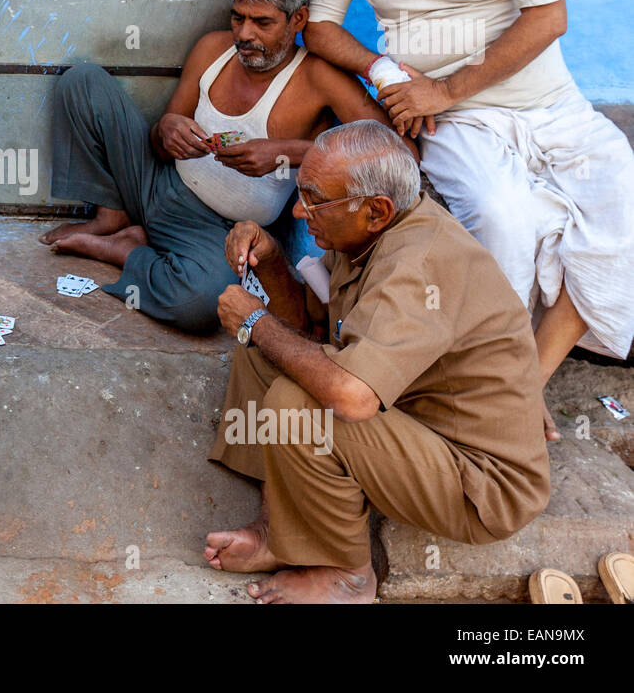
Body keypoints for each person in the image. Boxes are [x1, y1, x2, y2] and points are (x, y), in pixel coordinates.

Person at [303, 0, 634, 439]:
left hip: (547, 104)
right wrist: (386, 70)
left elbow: (549, 16)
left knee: (621, 196)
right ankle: (498, 378)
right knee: (504, 219)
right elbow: (319, 30)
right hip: (459, 125)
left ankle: (524, 382)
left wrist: (444, 88)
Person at [204, 120, 550, 603]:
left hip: (481, 483)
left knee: (298, 404)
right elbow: (310, 329)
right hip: (416, 422)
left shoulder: (416, 265)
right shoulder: (367, 234)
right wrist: (274, 261)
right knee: (265, 352)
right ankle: (279, 530)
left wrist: (256, 320)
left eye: (315, 200)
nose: (302, 212)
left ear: (376, 210)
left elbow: (352, 396)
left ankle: (348, 578)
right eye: (302, 193)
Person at [41, 0, 407, 332]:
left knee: (199, 304)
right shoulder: (213, 49)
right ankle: (111, 214)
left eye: (262, 23)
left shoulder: (321, 78)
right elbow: (158, 138)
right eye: (238, 18)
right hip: (157, 183)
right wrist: (167, 129)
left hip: (218, 230)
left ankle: (126, 250)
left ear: (298, 19)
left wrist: (286, 153)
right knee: (83, 82)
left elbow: (395, 153)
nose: (245, 34)